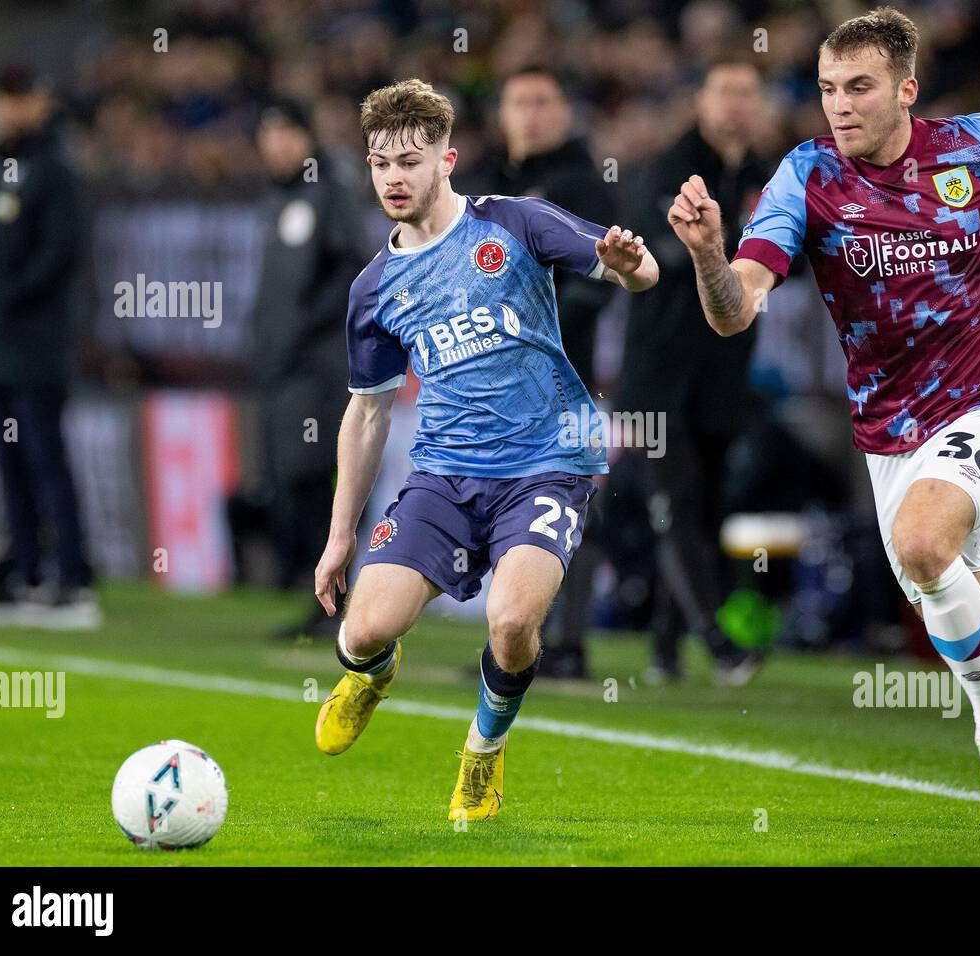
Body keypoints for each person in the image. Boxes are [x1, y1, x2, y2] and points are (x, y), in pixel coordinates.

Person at [666, 8, 980, 831]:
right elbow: (736, 310)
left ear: (906, 89)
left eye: (860, 87)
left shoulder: (977, 145)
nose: (840, 105)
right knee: (960, 613)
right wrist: (706, 257)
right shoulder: (807, 177)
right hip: (888, 432)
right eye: (829, 88)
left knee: (921, 546)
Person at [310, 80, 659, 822]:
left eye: (410, 160)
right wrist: (340, 536)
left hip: (548, 464)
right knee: (364, 630)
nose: (394, 177)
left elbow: (642, 272)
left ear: (448, 159)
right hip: (443, 474)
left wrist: (630, 262)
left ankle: (482, 752)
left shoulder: (515, 223)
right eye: (379, 164)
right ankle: (372, 674)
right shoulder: (374, 288)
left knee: (510, 623)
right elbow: (367, 415)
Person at [617, 60, 770, 685]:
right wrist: (727, 252)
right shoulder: (669, 169)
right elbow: (657, 252)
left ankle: (663, 648)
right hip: (658, 375)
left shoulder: (763, 177)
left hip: (724, 373)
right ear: (700, 101)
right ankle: (718, 641)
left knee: (704, 510)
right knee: (676, 505)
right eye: (724, 92)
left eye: (747, 93)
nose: (736, 105)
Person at [463, 65, 617, 678]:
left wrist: (530, 316)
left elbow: (603, 280)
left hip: (563, 378)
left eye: (543, 100)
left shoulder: (583, 183)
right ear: (502, 113)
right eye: (518, 101)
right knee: (510, 503)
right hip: (494, 380)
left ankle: (571, 643)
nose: (530, 112)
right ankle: (519, 643)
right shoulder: (491, 184)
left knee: (569, 504)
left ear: (563, 113)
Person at [0, 65, 98, 630]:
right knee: (10, 460)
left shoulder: (57, 167)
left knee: (46, 457)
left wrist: (11, 300)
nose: (10, 109)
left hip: (37, 342)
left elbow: (63, 253)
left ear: (42, 100)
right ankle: (25, 575)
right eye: (4, 98)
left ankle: (73, 582)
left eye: (21, 97)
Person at [241, 100, 371, 636]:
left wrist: (303, 327)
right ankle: (323, 601)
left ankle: (339, 604)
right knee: (289, 481)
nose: (277, 146)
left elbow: (352, 268)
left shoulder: (330, 191)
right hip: (282, 365)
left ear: (305, 137)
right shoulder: (279, 198)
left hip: (318, 367)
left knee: (312, 476)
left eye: (286, 134)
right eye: (267, 135)